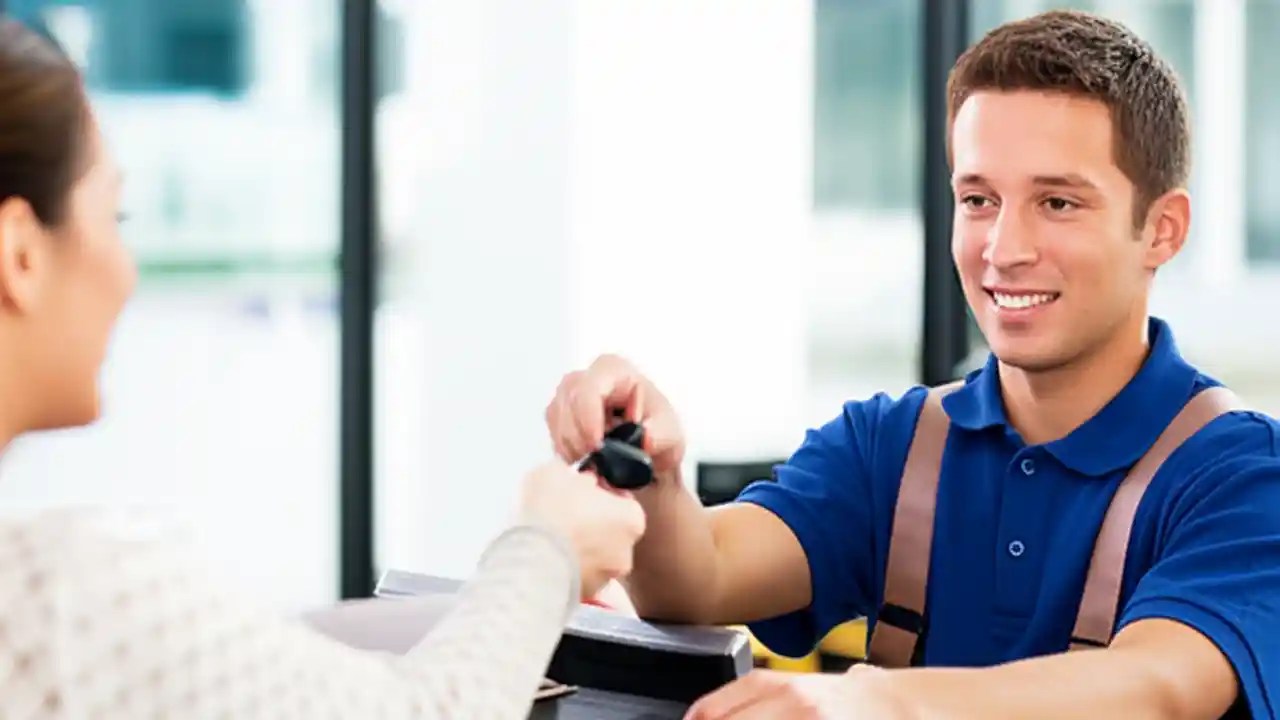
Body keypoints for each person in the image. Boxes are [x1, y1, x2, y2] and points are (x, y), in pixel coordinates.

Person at [546, 10, 1280, 720]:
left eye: (1057, 202)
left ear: (1162, 229)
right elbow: (698, 582)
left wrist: (880, 700)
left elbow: (1156, 688)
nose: (1005, 248)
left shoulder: (1240, 474)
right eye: (979, 198)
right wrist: (654, 475)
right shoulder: (892, 446)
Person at [0, 19, 646, 719]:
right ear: (21, 255)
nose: (125, 272)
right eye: (115, 217)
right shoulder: (66, 595)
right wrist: (546, 552)